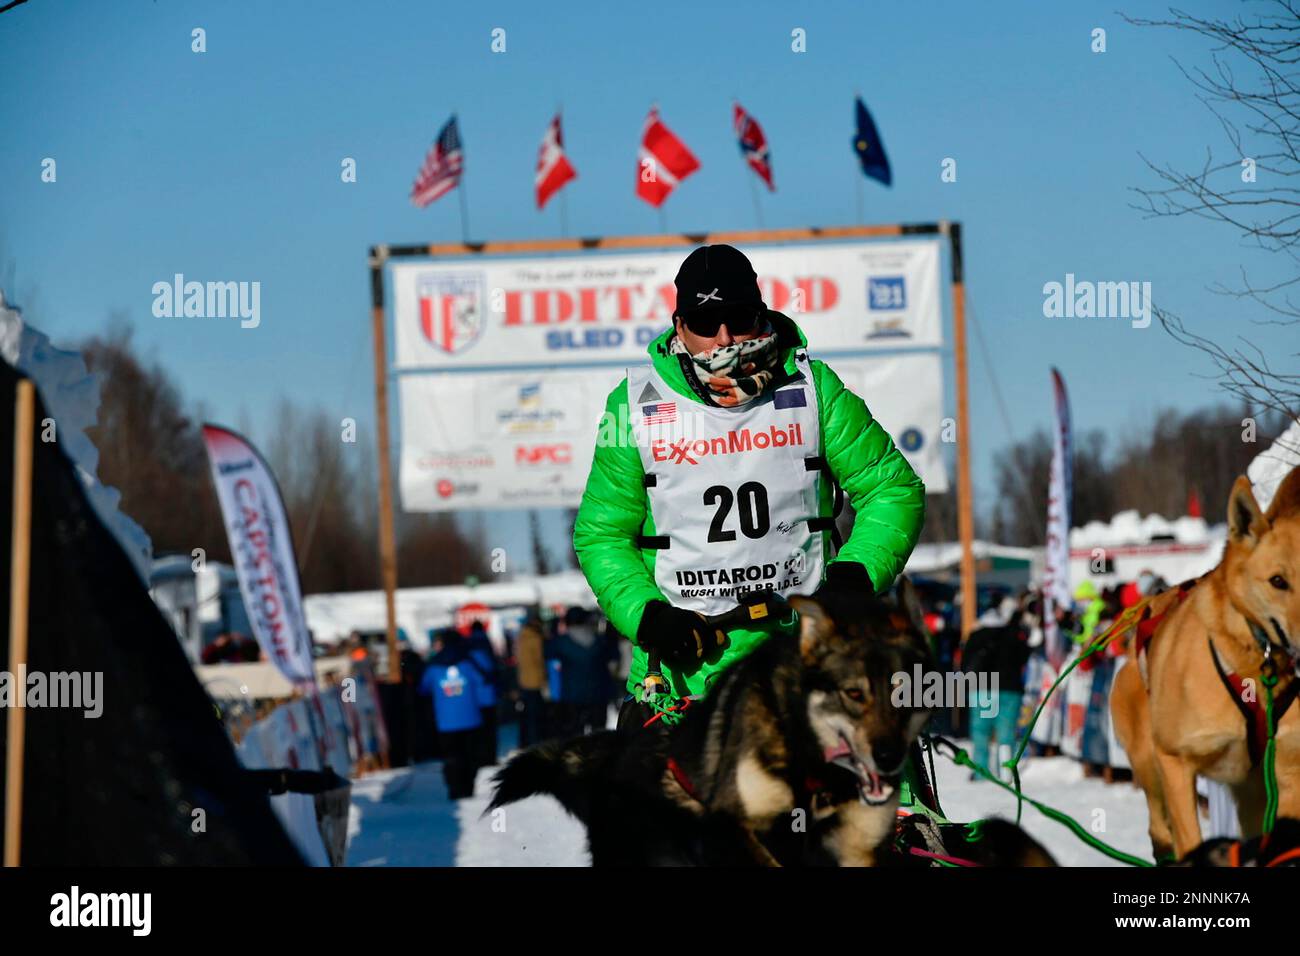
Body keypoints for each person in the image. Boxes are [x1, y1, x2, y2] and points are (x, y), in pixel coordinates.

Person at [572, 243, 926, 730]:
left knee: (878, 799)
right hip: (687, 676)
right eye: (704, 323)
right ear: (679, 328)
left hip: (807, 660)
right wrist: (648, 618)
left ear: (760, 314)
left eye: (738, 318)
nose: (723, 339)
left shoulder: (811, 388)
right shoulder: (634, 405)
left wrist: (855, 579)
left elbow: (893, 489)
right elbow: (601, 535)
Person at [961, 594, 1035, 780]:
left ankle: (981, 773)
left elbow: (965, 664)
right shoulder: (1014, 634)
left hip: (983, 689)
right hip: (1010, 690)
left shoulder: (977, 634)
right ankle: (1007, 773)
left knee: (981, 735)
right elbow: (1025, 657)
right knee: (1006, 735)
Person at [418, 629, 485, 799]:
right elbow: (482, 680)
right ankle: (468, 786)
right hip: (471, 717)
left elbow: (424, 688)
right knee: (470, 756)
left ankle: (455, 787)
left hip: (445, 720)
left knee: (451, 756)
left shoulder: (434, 665)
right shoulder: (468, 662)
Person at [465, 621, 500, 766]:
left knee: (477, 731)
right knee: (490, 730)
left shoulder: (466, 646)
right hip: (489, 695)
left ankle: (479, 757)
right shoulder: (487, 643)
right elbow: (494, 668)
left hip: (474, 697)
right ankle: (490, 758)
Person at [514, 610, 548, 748]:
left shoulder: (521, 637)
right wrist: (545, 680)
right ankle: (536, 742)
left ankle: (525, 741)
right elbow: (540, 661)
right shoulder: (536, 638)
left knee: (526, 716)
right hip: (536, 681)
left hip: (523, 681)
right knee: (535, 716)